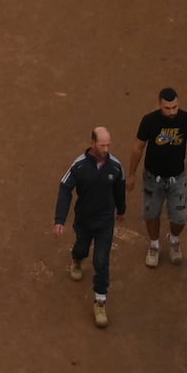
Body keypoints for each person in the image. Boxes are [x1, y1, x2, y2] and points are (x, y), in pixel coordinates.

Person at [53, 128, 128, 329]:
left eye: (108, 145)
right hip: (84, 221)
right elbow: (65, 188)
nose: (106, 149)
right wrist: (60, 219)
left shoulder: (115, 166)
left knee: (101, 261)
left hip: (105, 222)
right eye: (102, 145)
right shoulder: (79, 166)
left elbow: (120, 189)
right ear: (92, 143)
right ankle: (77, 259)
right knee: (81, 249)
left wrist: (121, 211)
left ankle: (100, 302)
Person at [130, 90, 187, 268]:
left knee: (180, 217)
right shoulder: (149, 121)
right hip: (152, 178)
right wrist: (132, 174)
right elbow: (137, 148)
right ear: (159, 105)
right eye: (167, 108)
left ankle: (174, 240)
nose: (172, 112)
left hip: (177, 178)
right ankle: (154, 245)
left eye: (175, 107)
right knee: (151, 213)